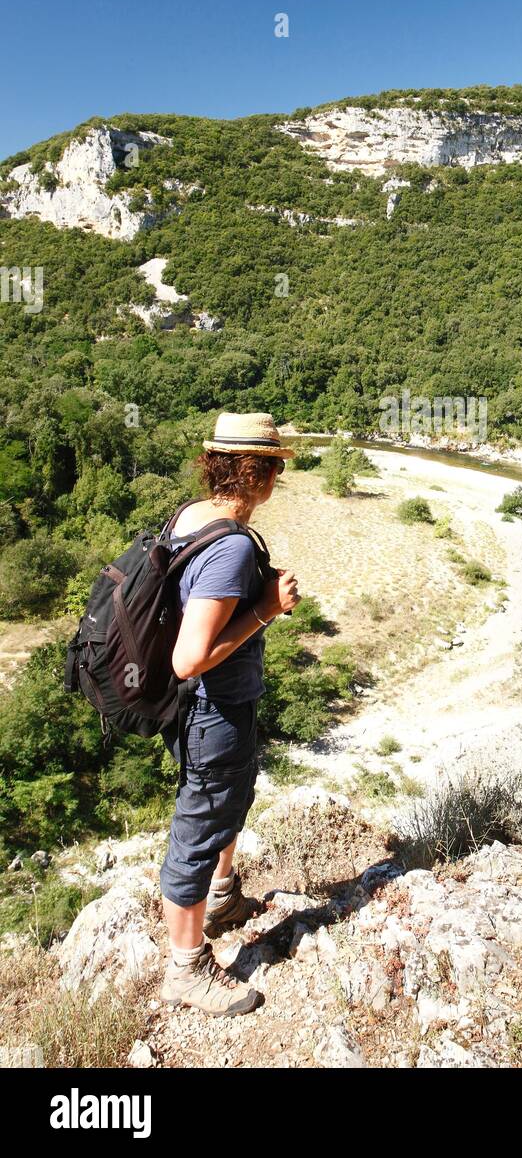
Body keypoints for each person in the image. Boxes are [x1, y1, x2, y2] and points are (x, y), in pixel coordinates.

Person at [159, 412, 299, 1017]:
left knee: (226, 806)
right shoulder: (232, 547)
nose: (276, 481)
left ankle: (223, 897)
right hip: (211, 712)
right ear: (259, 473)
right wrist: (266, 610)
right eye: (275, 468)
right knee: (198, 831)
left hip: (215, 710)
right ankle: (186, 971)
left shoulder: (193, 515)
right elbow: (190, 658)